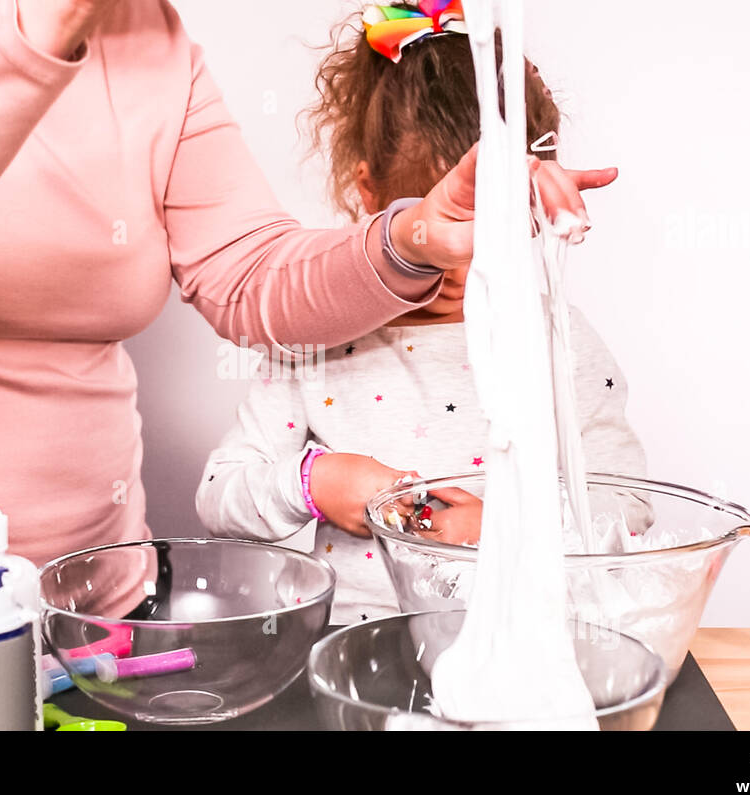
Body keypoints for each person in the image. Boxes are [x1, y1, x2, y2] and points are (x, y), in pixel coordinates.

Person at [0, 0, 613, 618]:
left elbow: (252, 276)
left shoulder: (147, 37)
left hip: (85, 612)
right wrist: (49, 19)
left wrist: (409, 237)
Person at [194, 0, 646, 623]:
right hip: (353, 652)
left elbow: (628, 504)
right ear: (369, 193)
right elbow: (219, 495)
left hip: (521, 644)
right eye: (439, 236)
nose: (464, 265)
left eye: (497, 229)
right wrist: (312, 482)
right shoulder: (316, 339)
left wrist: (507, 525)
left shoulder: (556, 340)